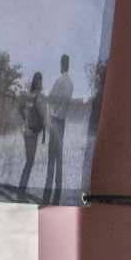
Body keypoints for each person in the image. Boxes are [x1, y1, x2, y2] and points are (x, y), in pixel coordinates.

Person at [44, 53, 75, 205]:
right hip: (63, 122)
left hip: (55, 121)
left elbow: (50, 98)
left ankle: (46, 197)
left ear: (62, 65)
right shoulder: (71, 84)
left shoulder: (59, 81)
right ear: (68, 65)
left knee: (51, 160)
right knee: (59, 159)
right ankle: (57, 198)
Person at [18, 71, 46, 199]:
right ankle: (21, 192)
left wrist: (25, 119)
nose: (41, 83)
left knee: (28, 161)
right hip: (32, 133)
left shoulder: (29, 95)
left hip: (26, 130)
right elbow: (42, 115)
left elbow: (20, 108)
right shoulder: (38, 97)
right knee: (29, 162)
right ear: (39, 82)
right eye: (41, 81)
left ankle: (21, 191)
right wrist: (44, 128)